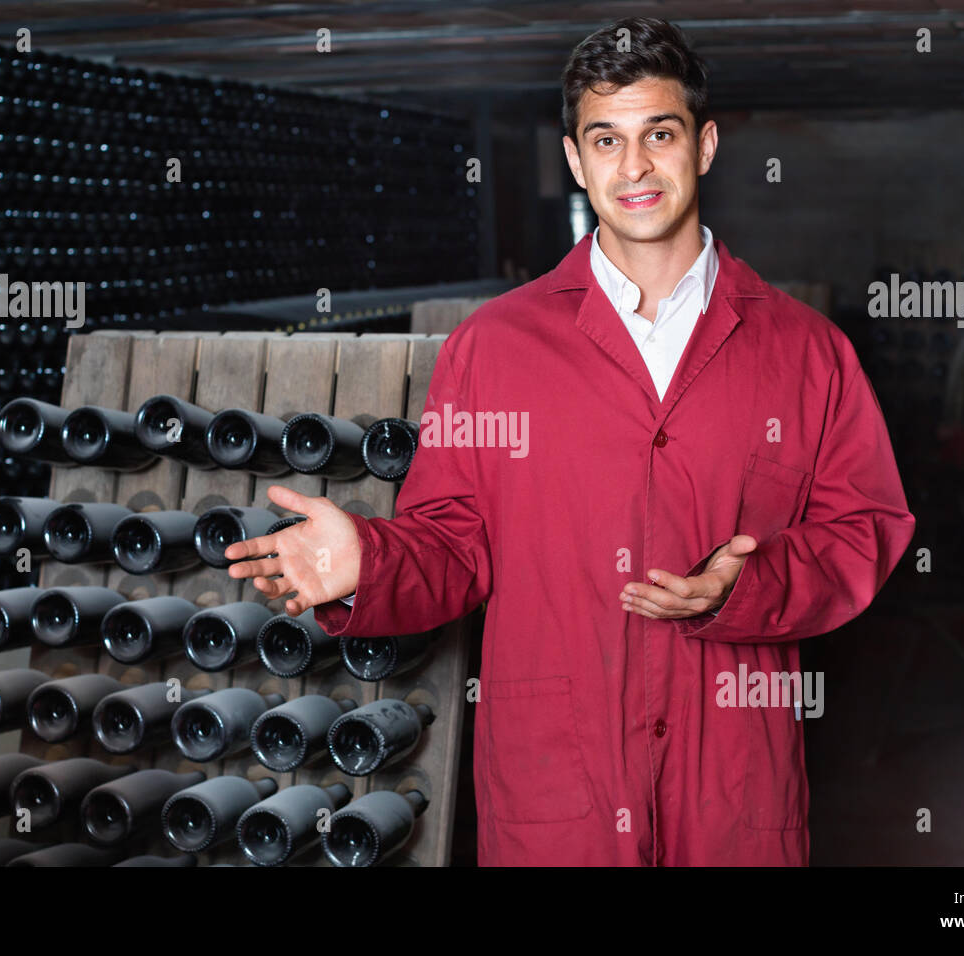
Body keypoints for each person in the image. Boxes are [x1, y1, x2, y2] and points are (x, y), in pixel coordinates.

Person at [225, 16, 916, 866]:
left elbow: (866, 531)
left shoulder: (807, 351)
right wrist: (371, 560)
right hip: (560, 788)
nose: (633, 167)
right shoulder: (497, 347)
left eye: (658, 134)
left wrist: (752, 585)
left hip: (734, 788)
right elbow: (455, 544)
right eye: (606, 140)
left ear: (703, 146)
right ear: (575, 160)